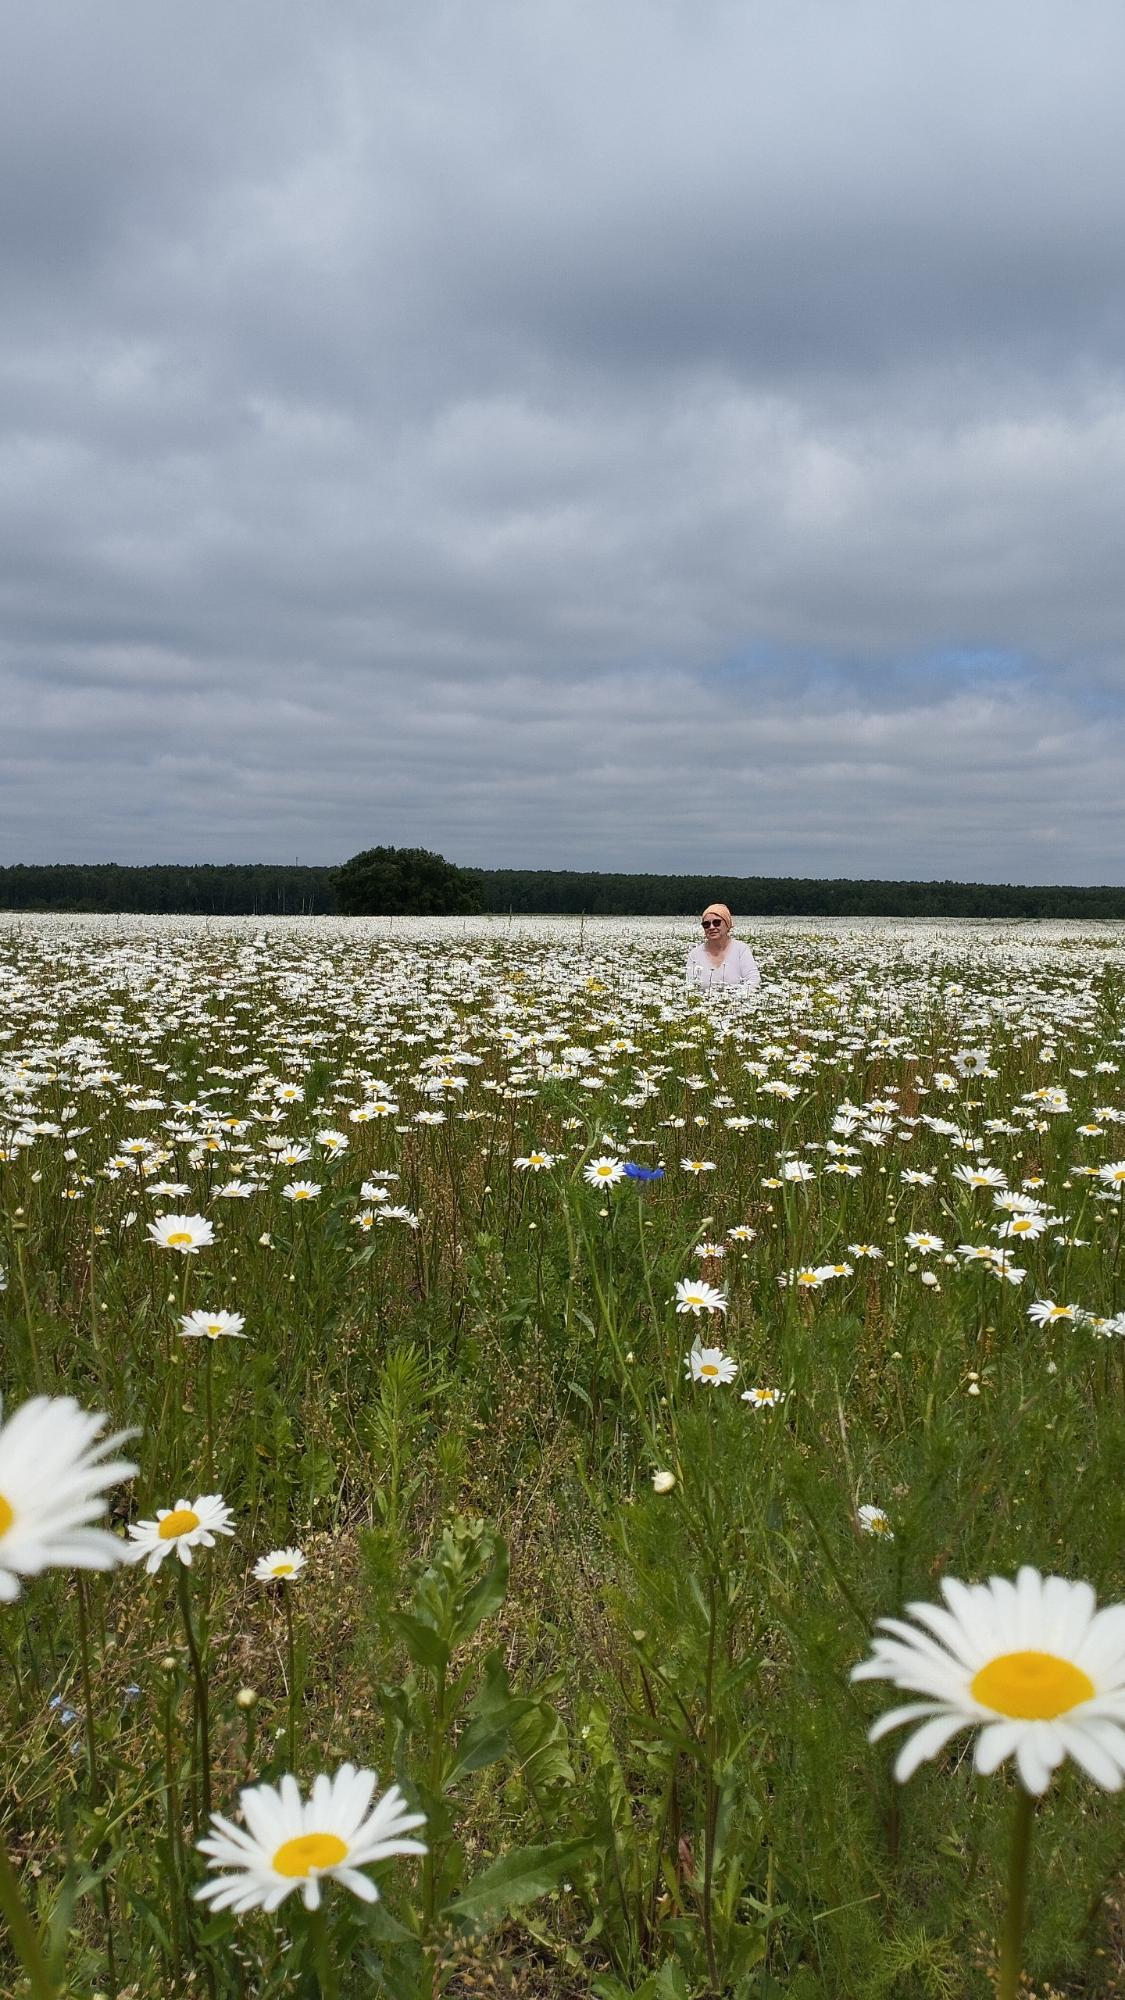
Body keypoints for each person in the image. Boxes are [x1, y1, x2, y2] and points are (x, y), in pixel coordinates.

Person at [685, 903, 761, 992]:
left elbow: (753, 980)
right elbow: (689, 985)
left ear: (727, 924)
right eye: (706, 924)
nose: (711, 927)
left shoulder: (741, 950)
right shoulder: (695, 954)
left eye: (716, 922)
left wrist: (733, 999)